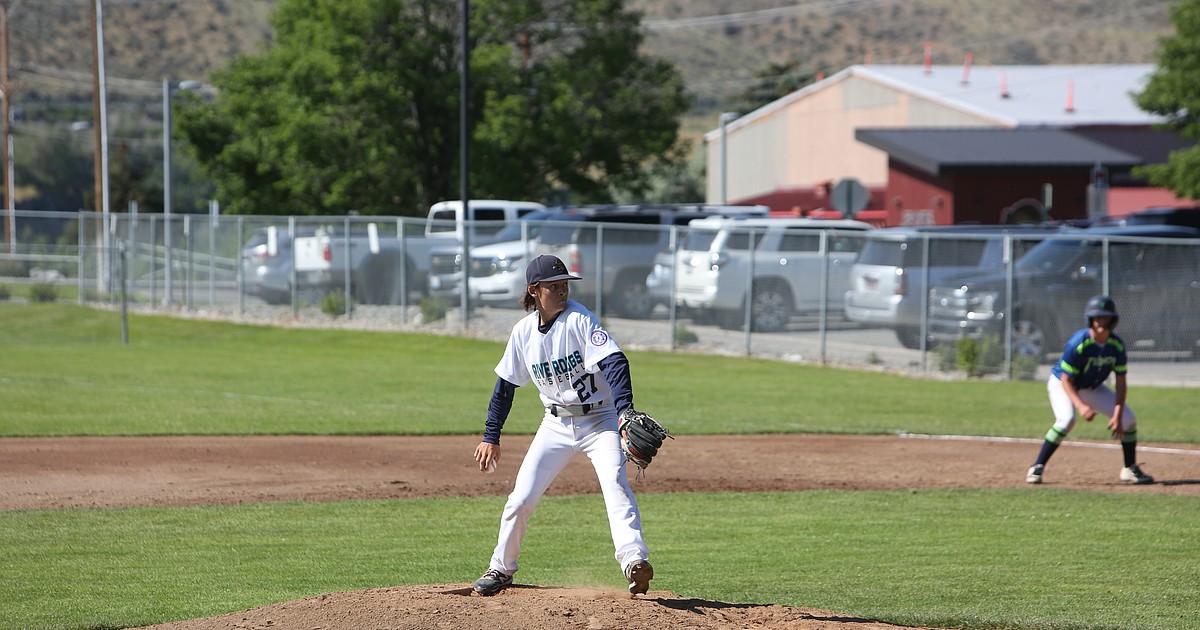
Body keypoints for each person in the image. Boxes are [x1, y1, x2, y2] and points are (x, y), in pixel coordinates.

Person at [472, 254, 654, 597]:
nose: (562, 291)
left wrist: (625, 412)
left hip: (600, 420)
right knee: (521, 497)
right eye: (553, 286)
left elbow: (615, 362)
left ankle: (634, 561)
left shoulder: (581, 320)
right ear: (533, 291)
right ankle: (500, 567)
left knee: (616, 484)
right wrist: (490, 436)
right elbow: (505, 388)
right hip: (554, 424)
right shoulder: (523, 333)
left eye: (564, 285)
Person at [1026, 295, 1154, 485]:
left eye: (1106, 318)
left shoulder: (1116, 346)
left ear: (1113, 320)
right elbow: (1066, 380)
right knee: (1066, 420)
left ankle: (1129, 468)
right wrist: (1080, 406)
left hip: (1091, 387)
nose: (1101, 322)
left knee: (1129, 419)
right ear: (1090, 320)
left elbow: (1121, 382)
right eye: (1097, 318)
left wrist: (1118, 413)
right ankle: (1037, 467)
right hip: (1062, 383)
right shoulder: (1078, 343)